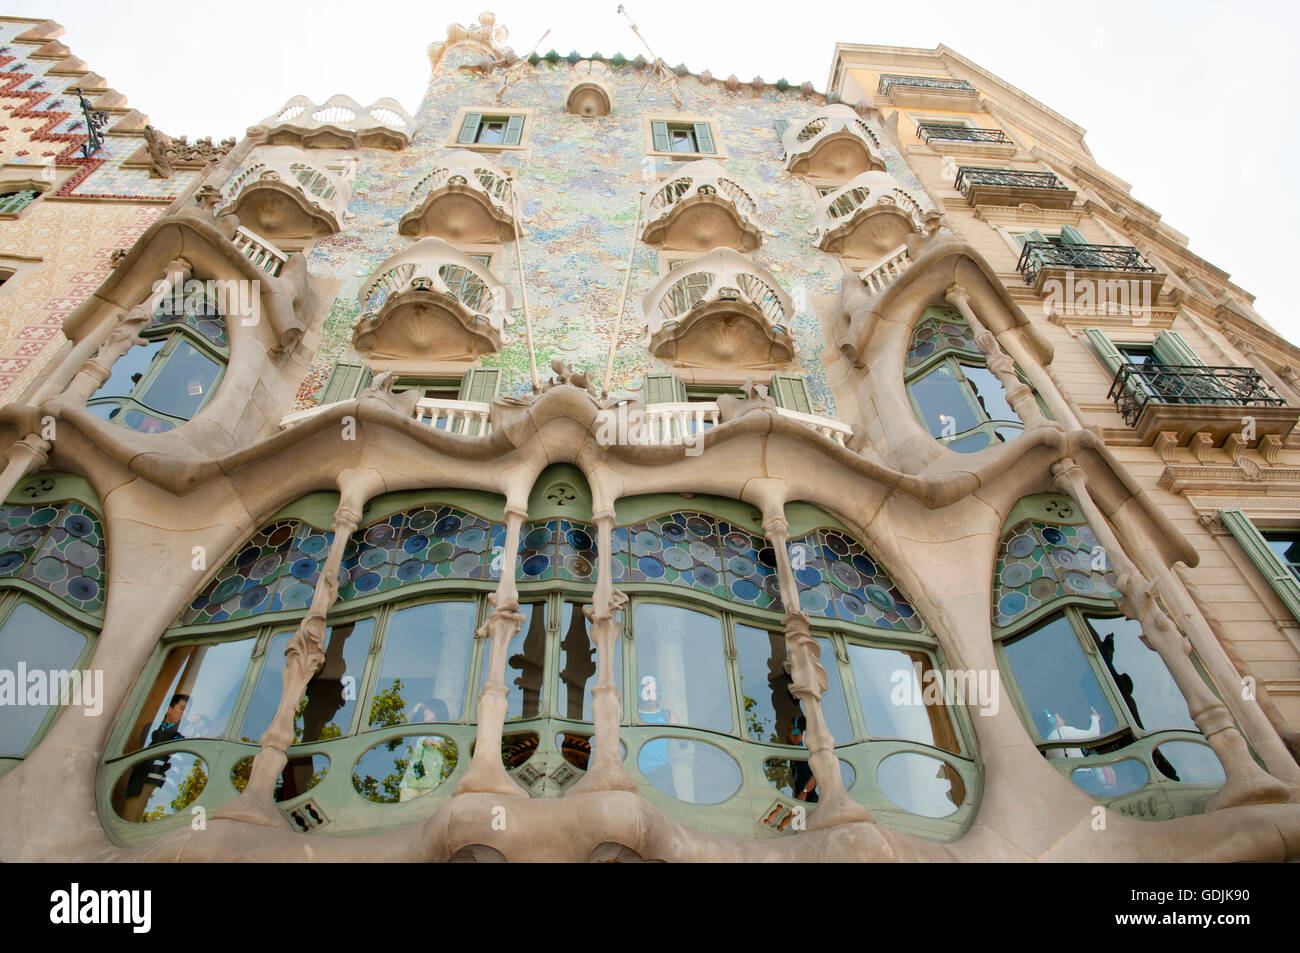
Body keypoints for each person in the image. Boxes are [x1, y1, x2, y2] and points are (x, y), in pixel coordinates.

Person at [121, 693, 189, 820]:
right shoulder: (152, 728)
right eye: (182, 709)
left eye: (187, 711)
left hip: (164, 790)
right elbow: (151, 745)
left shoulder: (182, 736)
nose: (184, 714)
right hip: (140, 786)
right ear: (169, 710)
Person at [399, 699, 450, 802]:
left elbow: (449, 753)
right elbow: (401, 728)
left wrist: (435, 742)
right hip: (410, 782)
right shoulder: (419, 729)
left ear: (437, 711)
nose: (424, 712)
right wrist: (414, 711)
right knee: (403, 814)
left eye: (428, 709)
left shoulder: (446, 732)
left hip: (432, 785)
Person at [636, 675, 678, 796]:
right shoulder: (633, 714)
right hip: (637, 771)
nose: (651, 695)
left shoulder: (668, 715)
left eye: (654, 691)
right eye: (647, 691)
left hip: (661, 772)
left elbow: (683, 743)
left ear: (659, 693)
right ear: (641, 693)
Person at [787, 714, 818, 802]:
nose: (788, 733)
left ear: (796, 732)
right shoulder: (799, 754)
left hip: (811, 802)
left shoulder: (809, 752)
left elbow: (819, 773)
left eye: (790, 730)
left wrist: (805, 791)